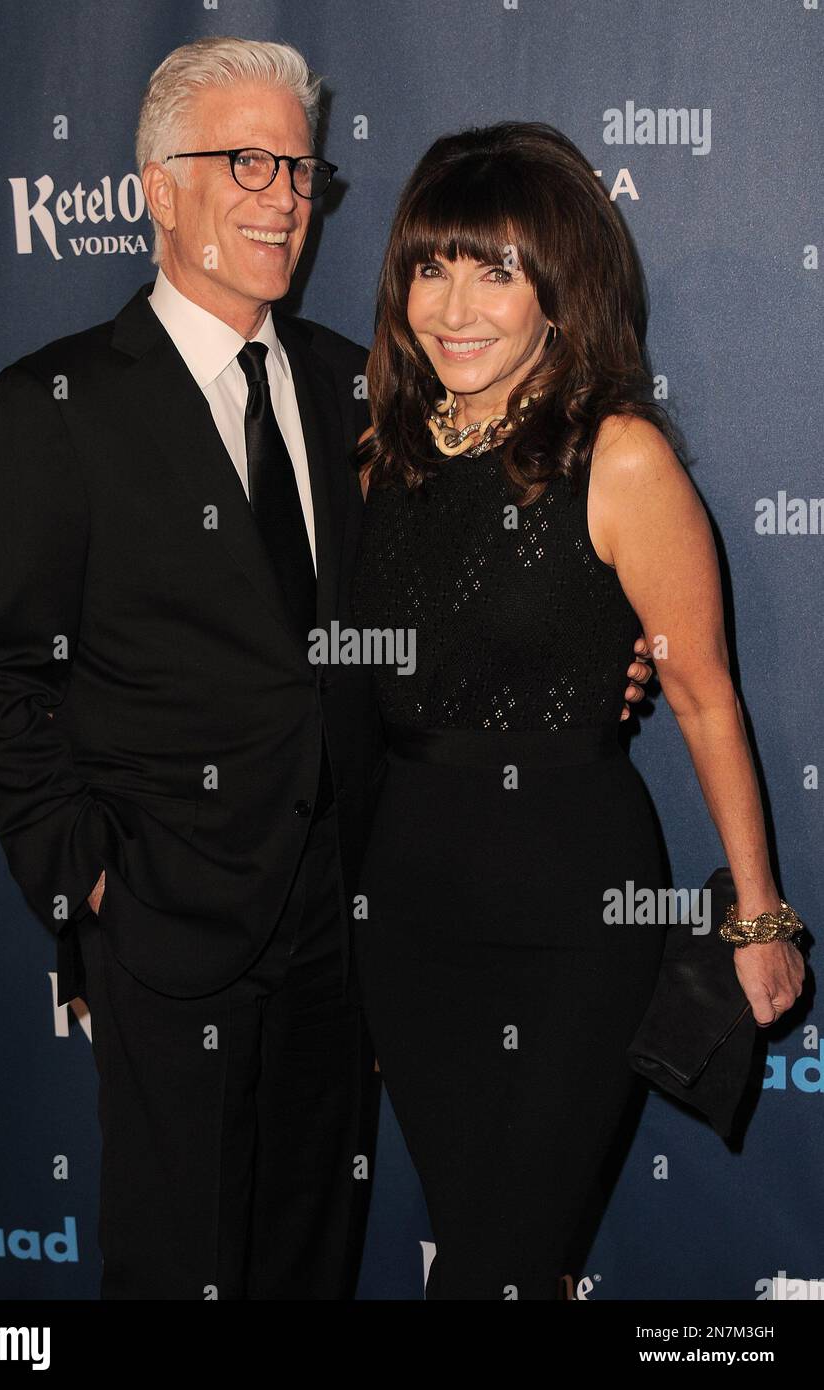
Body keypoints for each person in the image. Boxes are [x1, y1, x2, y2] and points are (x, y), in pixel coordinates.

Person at [0, 36, 387, 1301]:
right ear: (155, 185)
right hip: (165, 925)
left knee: (312, 1264)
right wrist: (91, 881)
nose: (283, 196)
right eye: (246, 161)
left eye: (300, 169)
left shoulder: (352, 386)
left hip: (337, 935)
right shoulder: (55, 405)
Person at [351, 121, 806, 1300]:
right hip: (406, 916)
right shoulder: (379, 458)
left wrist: (757, 914)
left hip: (575, 916)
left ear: (561, 291)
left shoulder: (621, 459)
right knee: (494, 1250)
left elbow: (705, 699)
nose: (452, 305)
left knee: (494, 1269)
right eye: (430, 265)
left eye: (495, 269)